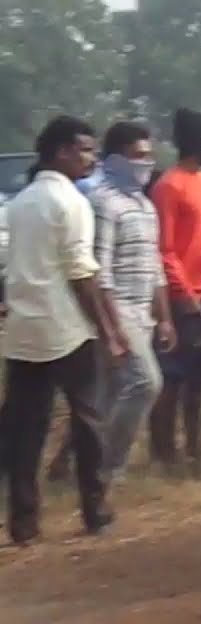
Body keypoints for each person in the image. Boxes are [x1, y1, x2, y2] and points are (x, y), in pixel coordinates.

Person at [2, 115, 126, 545]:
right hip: (67, 328)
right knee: (88, 419)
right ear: (62, 152)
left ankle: (23, 522)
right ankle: (95, 509)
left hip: (23, 329)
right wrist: (106, 328)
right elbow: (81, 274)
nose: (90, 158)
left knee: (25, 428)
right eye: (85, 150)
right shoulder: (71, 203)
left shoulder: (19, 203)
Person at [47, 122, 177, 485]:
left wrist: (164, 318)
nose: (146, 163)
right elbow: (99, 272)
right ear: (116, 158)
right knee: (147, 383)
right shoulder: (102, 204)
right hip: (117, 309)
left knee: (101, 398)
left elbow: (154, 268)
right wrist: (113, 329)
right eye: (138, 156)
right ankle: (108, 469)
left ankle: (65, 464)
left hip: (142, 311)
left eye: (149, 156)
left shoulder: (144, 206)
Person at [148, 108, 201, 468]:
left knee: (200, 376)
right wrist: (184, 294)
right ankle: (164, 449)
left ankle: (194, 445)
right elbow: (165, 248)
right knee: (173, 379)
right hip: (183, 297)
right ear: (196, 146)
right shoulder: (169, 186)